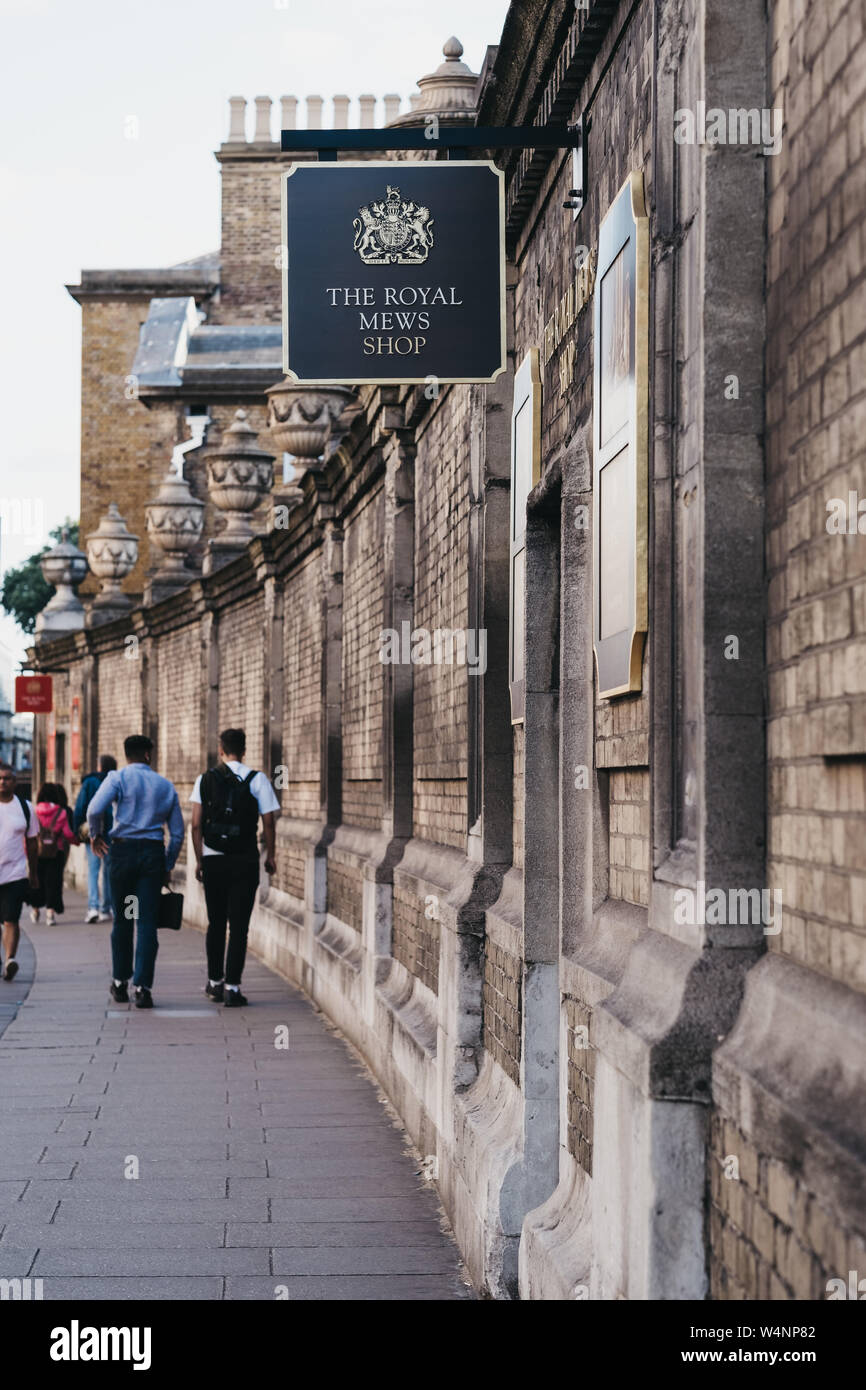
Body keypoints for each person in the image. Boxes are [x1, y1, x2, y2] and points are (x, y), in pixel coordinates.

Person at [88, 734, 184, 1010]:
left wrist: (96, 835)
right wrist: (167, 864)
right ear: (148, 755)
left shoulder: (117, 778)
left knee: (123, 918)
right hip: (151, 857)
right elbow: (177, 833)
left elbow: (95, 808)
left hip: (123, 854)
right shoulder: (165, 785)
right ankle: (143, 987)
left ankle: (120, 982)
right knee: (146, 921)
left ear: (126, 753)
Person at [190, 728, 278, 1007]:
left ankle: (214, 982)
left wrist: (200, 859)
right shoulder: (258, 780)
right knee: (239, 926)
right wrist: (271, 856)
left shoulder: (204, 780)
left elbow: (195, 823)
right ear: (244, 749)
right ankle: (233, 987)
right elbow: (269, 821)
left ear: (221, 749)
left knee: (215, 923)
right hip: (245, 860)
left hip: (213, 858)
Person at [0, 762, 39, 982]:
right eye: (0, 778)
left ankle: (10, 959)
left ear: (15, 782)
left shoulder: (25, 808)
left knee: (11, 919)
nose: (2, 782)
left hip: (15, 873)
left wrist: (33, 874)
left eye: (7, 778)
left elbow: (33, 842)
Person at [73, 754, 117, 923]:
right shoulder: (116, 780)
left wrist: (77, 829)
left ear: (99, 766)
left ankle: (93, 907)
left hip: (94, 832)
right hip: (113, 832)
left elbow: (81, 807)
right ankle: (106, 908)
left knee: (93, 870)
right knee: (108, 871)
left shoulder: (90, 782)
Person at [30, 783, 79, 925]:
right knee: (53, 881)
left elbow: (30, 833)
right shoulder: (61, 812)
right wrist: (76, 841)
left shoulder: (34, 811)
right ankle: (50, 914)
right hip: (55, 851)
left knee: (36, 879)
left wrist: (27, 851)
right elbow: (68, 834)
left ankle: (35, 910)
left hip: (37, 852)